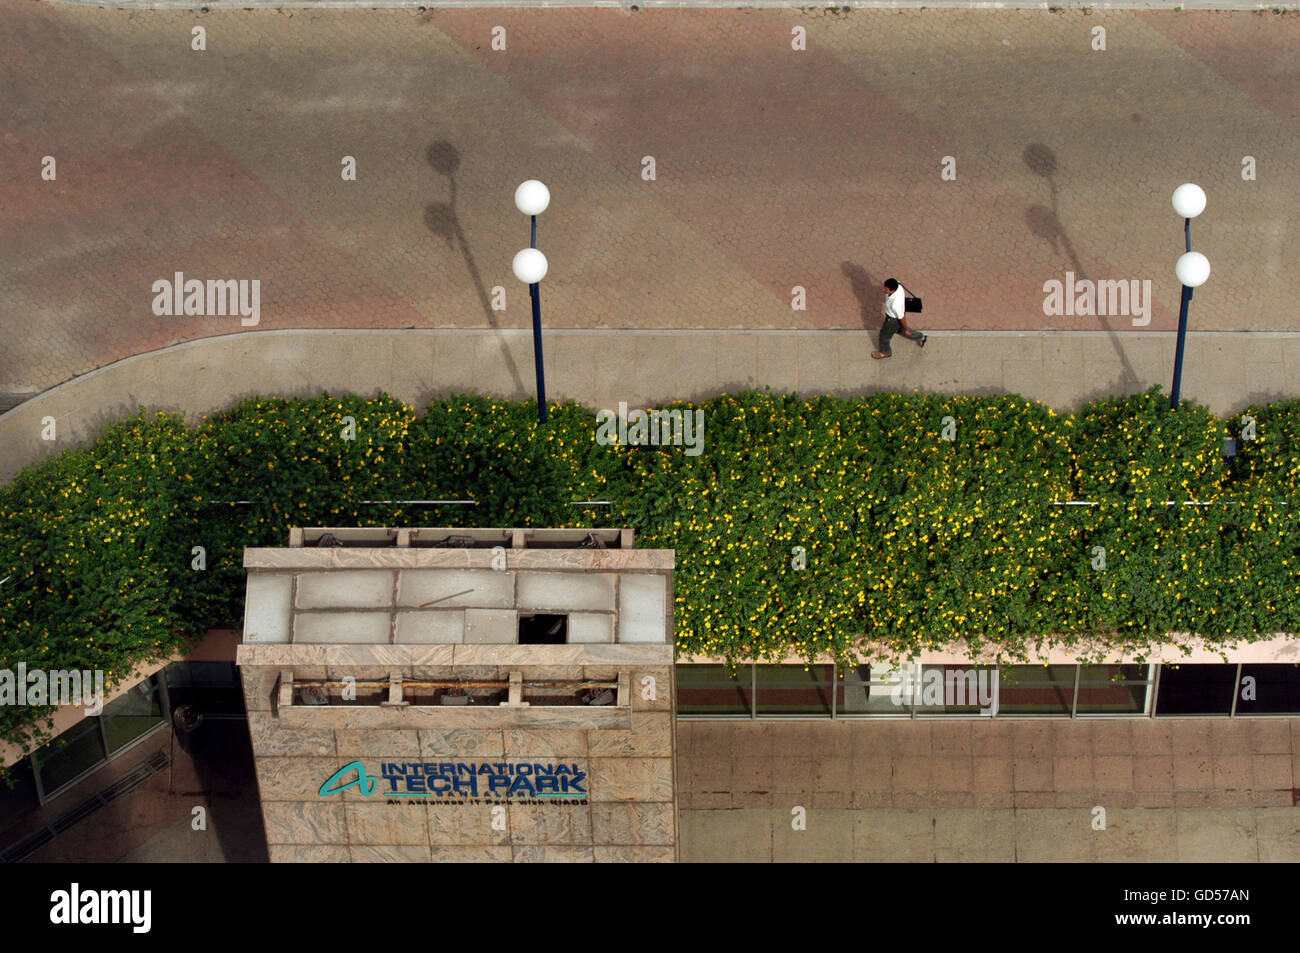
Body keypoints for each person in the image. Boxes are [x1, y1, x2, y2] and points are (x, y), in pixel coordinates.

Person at [872, 278, 926, 359]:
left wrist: (906, 329)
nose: (884, 289)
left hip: (892, 320)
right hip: (897, 316)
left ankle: (885, 352)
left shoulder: (895, 305)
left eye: (886, 288)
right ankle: (921, 336)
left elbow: (902, 318)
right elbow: (896, 281)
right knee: (899, 330)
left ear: (892, 290)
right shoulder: (898, 285)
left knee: (884, 336)